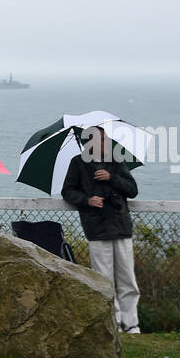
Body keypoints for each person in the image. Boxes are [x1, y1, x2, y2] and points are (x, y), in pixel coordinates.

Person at [61, 124, 141, 334]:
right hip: (96, 228)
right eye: (100, 140)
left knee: (127, 279)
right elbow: (68, 191)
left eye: (105, 139)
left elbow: (132, 190)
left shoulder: (115, 161)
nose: (104, 143)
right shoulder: (78, 163)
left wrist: (111, 178)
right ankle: (112, 323)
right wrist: (87, 200)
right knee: (103, 279)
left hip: (120, 226)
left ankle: (131, 324)